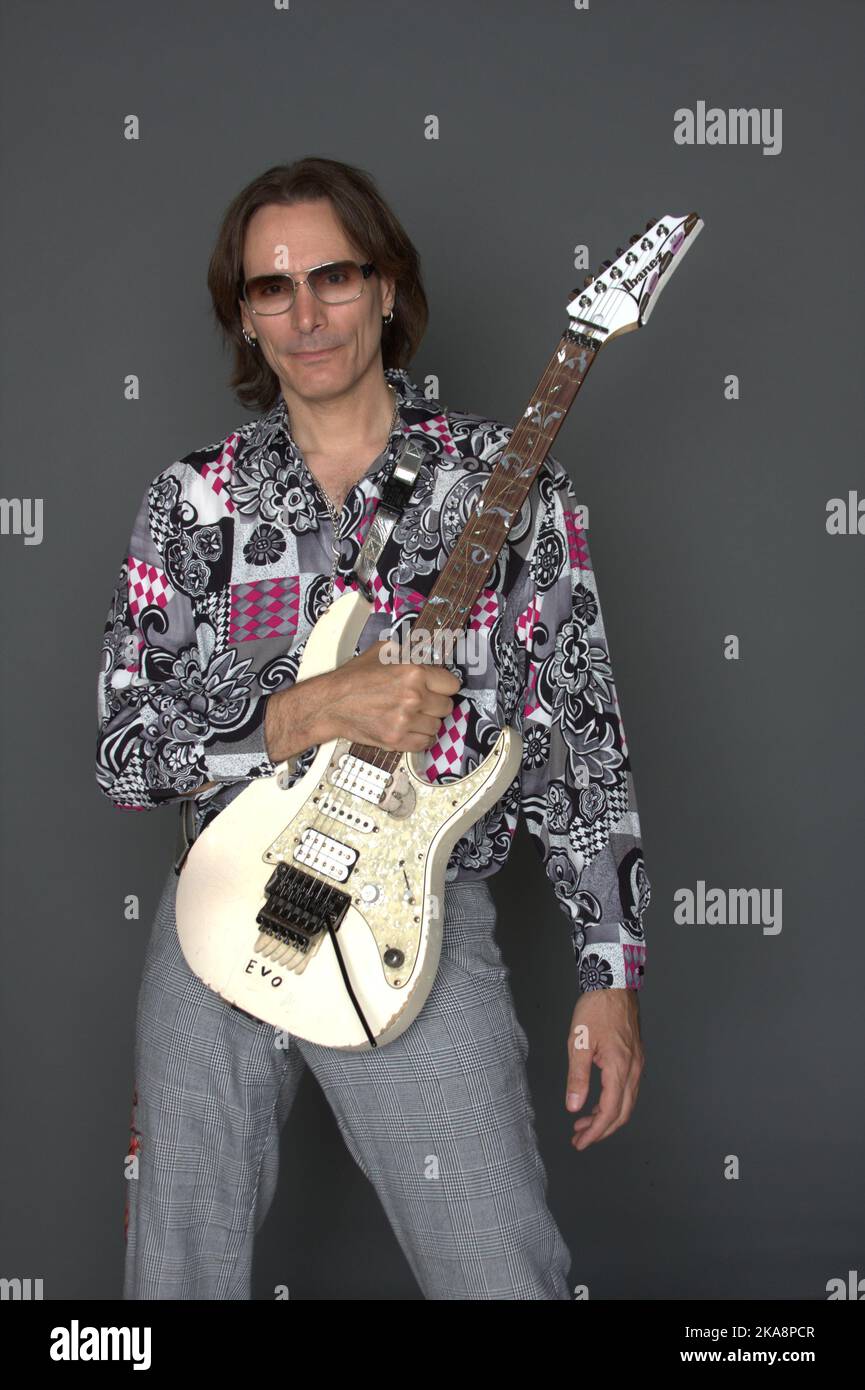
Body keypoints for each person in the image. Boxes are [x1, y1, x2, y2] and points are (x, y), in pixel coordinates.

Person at [96, 156, 651, 1300]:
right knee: (175, 1274)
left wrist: (609, 968)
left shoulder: (511, 483)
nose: (305, 315)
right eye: (270, 289)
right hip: (223, 901)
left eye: (334, 277)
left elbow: (578, 730)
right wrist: (307, 710)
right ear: (243, 318)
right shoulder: (192, 499)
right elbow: (122, 746)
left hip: (416, 904)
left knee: (496, 1267)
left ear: (388, 288)